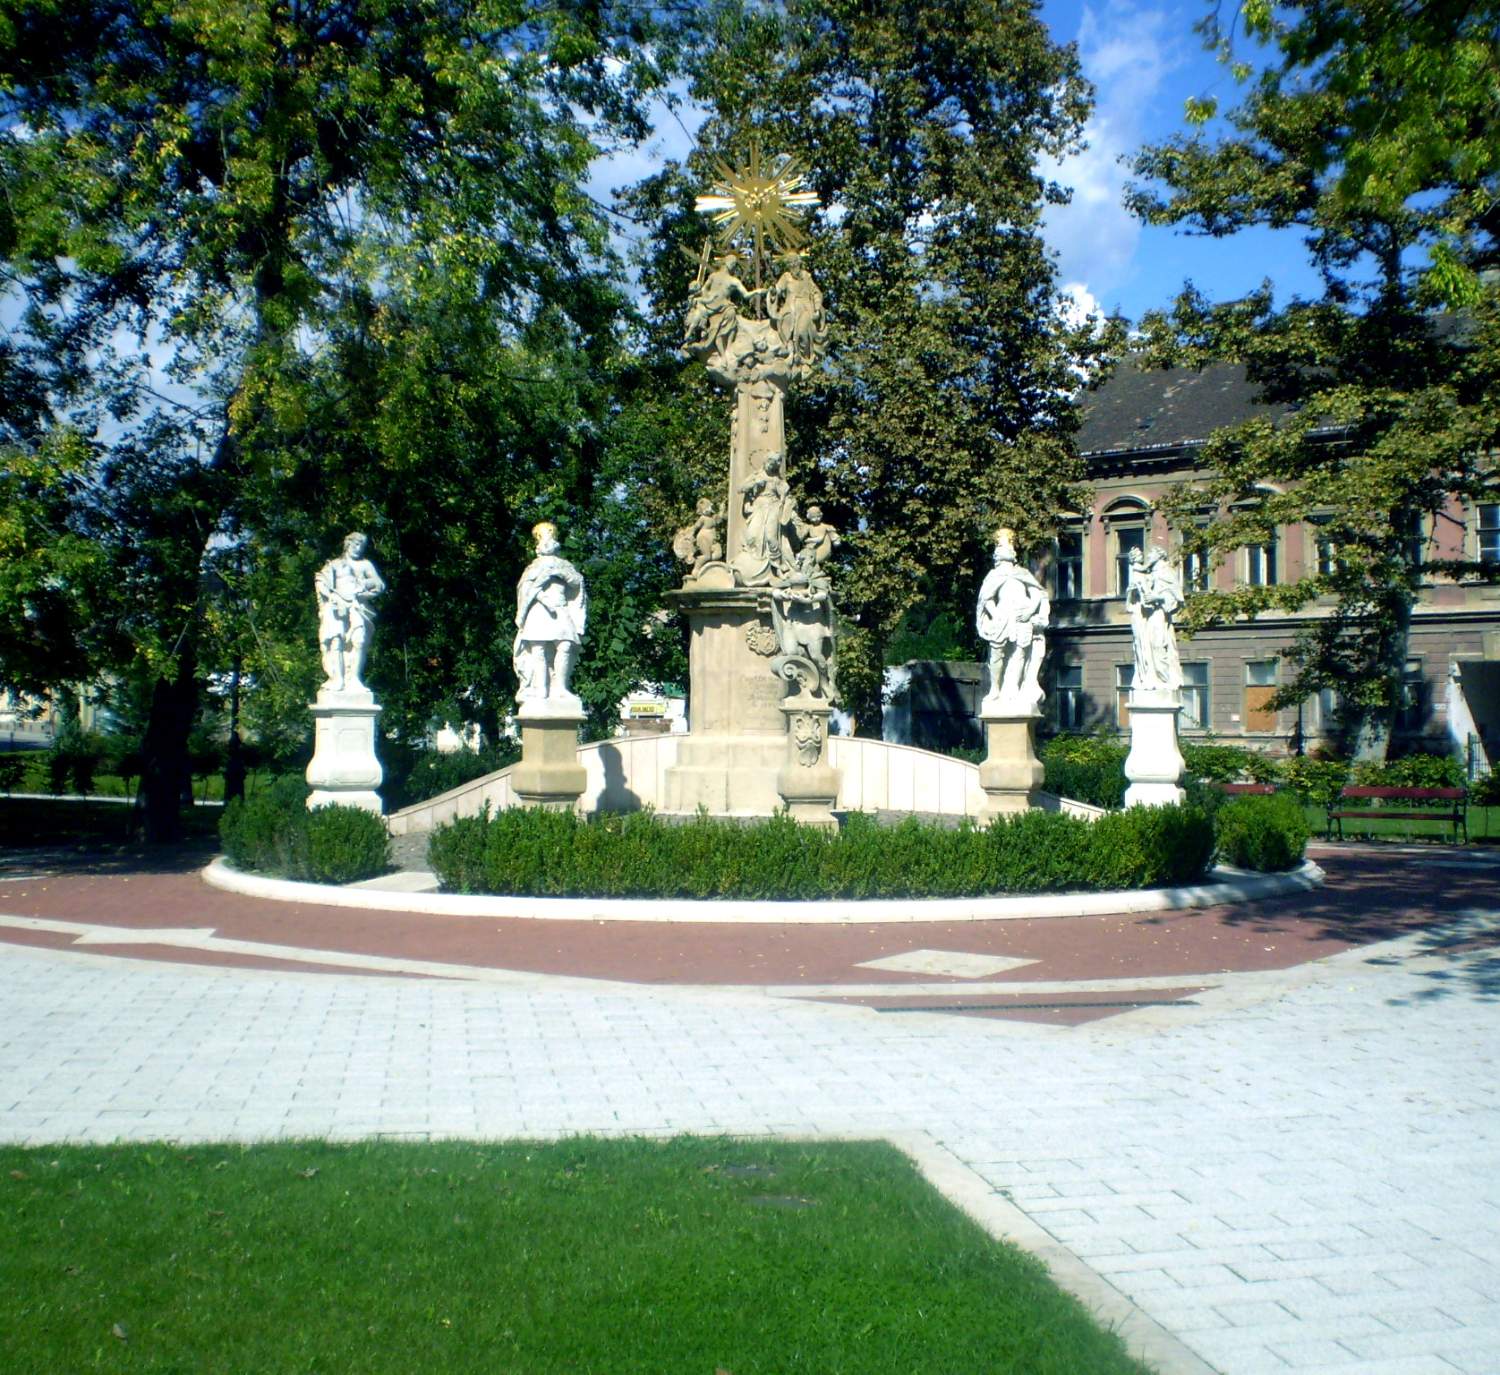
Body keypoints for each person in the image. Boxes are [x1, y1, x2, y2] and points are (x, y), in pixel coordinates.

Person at [975, 529, 1051, 713]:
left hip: (1022, 618)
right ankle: (995, 689)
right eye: (1001, 546)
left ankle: (1012, 689)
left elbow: (1039, 593)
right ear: (997, 555)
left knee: (1019, 654)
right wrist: (995, 614)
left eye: (1008, 546)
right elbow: (986, 598)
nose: (1005, 550)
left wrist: (1029, 611)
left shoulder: (1022, 573)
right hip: (1001, 617)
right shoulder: (993, 575)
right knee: (996, 653)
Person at [513, 521, 587, 704]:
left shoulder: (564, 565)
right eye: (543, 539)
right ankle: (541, 689)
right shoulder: (532, 567)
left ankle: (560, 688)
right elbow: (524, 590)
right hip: (539, 611)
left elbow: (577, 583)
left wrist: (560, 574)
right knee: (537, 649)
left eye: (550, 538)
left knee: (565, 645)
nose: (547, 543)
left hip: (561, 609)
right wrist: (540, 595)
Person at [315, 532, 385, 694]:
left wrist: (363, 591)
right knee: (336, 641)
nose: (358, 548)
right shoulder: (334, 565)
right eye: (355, 544)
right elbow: (322, 583)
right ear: (347, 544)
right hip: (337, 608)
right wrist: (334, 597)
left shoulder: (365, 565)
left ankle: (354, 678)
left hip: (357, 607)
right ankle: (337, 678)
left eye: (361, 546)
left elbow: (379, 585)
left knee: (359, 640)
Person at [731, 453, 796, 586]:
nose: (772, 466)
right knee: (752, 537)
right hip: (758, 509)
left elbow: (786, 494)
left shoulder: (777, 480)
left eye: (776, 464)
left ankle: (778, 568)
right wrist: (755, 483)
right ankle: (753, 568)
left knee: (771, 538)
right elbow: (740, 489)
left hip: (773, 508)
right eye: (771, 462)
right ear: (766, 462)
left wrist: (785, 499)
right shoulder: (757, 476)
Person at [1126, 545, 1184, 692]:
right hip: (1149, 615)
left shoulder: (1167, 572)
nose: (1149, 556)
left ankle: (1163, 679)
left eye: (1151, 553)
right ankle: (1152, 678)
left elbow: (1176, 598)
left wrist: (1156, 597)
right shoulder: (1151, 573)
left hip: (1160, 614)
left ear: (1159, 555)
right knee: (1147, 646)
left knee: (1159, 645)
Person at [767, 251, 827, 372]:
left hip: (805, 309)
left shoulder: (806, 276)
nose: (793, 266)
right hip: (790, 310)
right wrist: (773, 292)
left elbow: (816, 293)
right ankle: (791, 355)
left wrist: (816, 308)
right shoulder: (786, 277)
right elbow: (777, 290)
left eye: (795, 263)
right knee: (786, 333)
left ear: (799, 263)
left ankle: (805, 359)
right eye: (790, 264)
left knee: (802, 332)